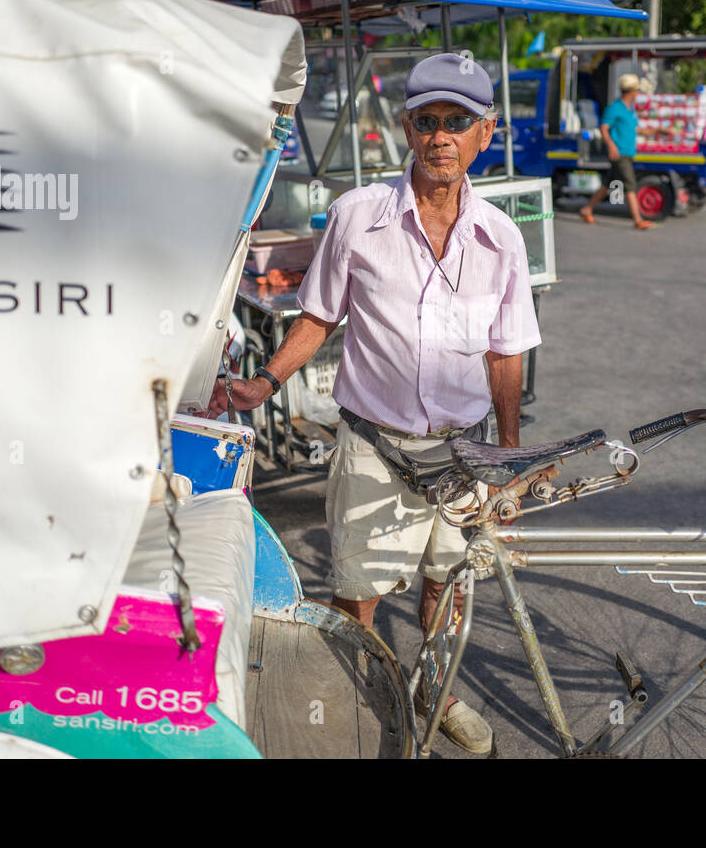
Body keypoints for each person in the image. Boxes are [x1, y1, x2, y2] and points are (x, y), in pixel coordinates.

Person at [204, 53, 541, 755]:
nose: (441, 136)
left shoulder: (501, 238)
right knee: (359, 590)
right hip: (373, 447)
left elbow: (507, 352)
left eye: (458, 122)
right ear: (406, 128)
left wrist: (506, 457)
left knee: (447, 584)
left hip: (462, 448)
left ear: (487, 132)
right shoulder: (358, 218)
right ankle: (359, 701)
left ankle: (434, 687)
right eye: (427, 121)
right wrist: (263, 383)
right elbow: (318, 318)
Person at [579, 73, 656, 229]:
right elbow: (604, 128)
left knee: (608, 184)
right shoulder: (614, 108)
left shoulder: (629, 110)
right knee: (629, 184)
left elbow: (634, 128)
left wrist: (655, 131)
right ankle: (638, 220)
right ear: (631, 91)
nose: (637, 94)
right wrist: (611, 146)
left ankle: (587, 209)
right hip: (620, 153)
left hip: (628, 151)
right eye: (636, 90)